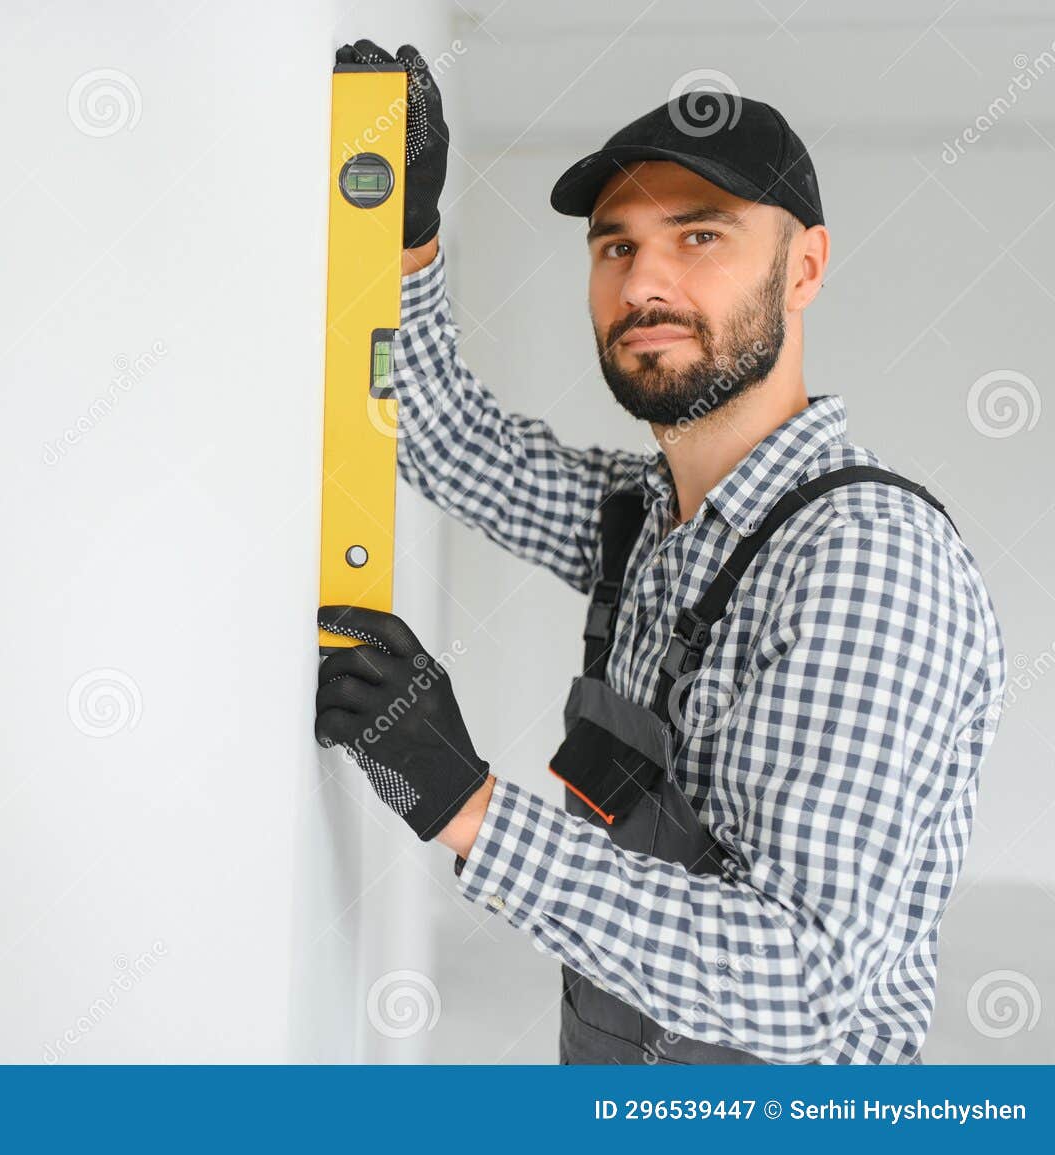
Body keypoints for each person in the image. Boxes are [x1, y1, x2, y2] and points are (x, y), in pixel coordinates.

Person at [316, 40, 1007, 1065]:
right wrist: (402, 238)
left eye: (699, 235)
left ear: (805, 267)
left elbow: (801, 980)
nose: (643, 281)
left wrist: (466, 805)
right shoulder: (645, 522)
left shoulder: (865, 561)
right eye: (615, 246)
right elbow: (444, 439)